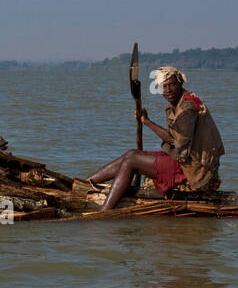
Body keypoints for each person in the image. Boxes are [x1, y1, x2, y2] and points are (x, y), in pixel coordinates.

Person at [83, 66, 224, 212]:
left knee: (131, 161)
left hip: (193, 170)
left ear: (180, 83)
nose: (168, 90)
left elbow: (175, 141)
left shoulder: (187, 108)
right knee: (131, 154)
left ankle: (105, 210)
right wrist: (145, 120)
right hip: (186, 161)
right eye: (164, 86)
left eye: (172, 85)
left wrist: (147, 122)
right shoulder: (180, 102)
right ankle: (84, 184)